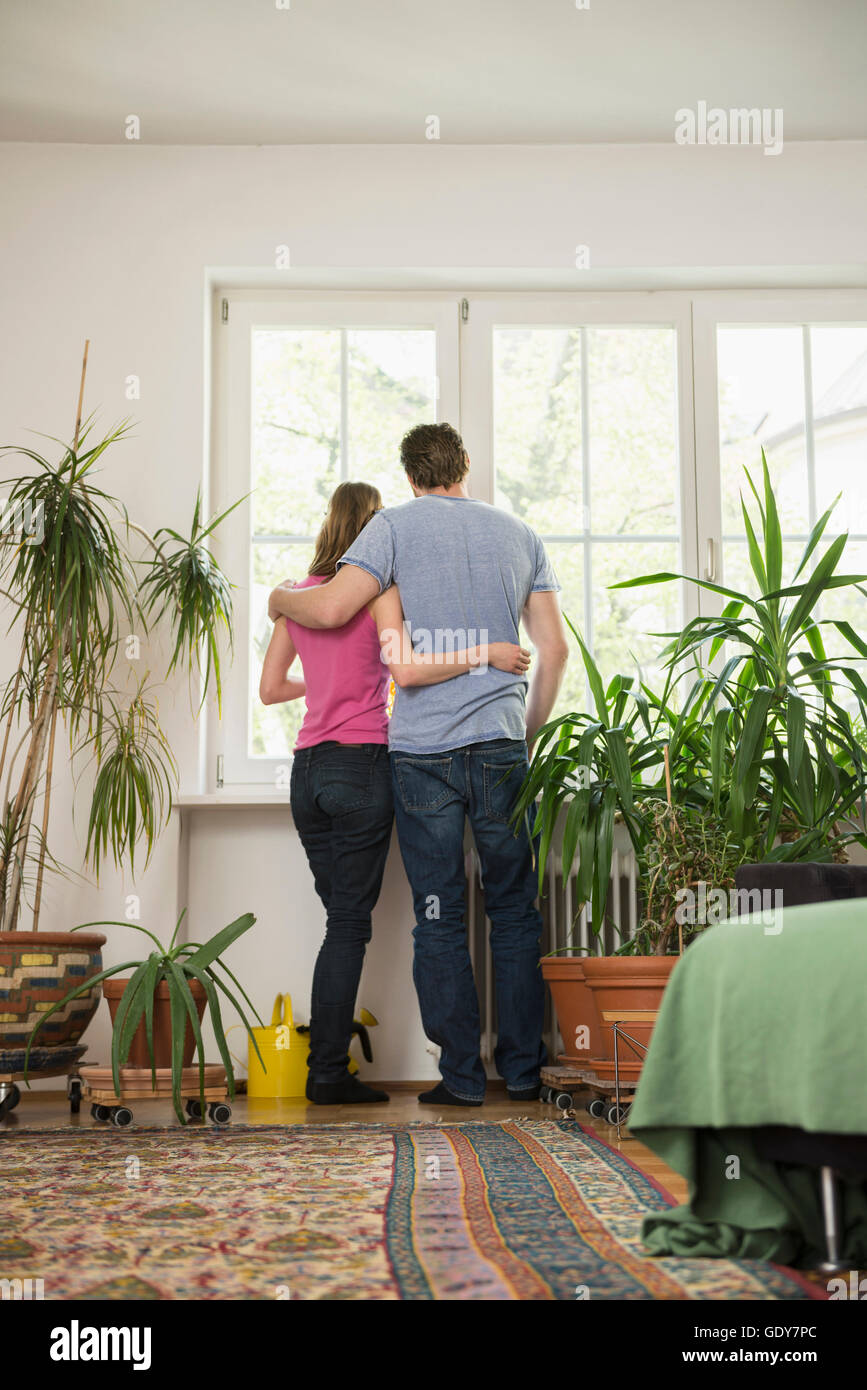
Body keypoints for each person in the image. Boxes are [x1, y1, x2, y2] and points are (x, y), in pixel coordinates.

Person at [268, 426, 569, 1107]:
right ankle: (522, 1072)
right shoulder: (519, 533)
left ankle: (461, 1080)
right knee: (515, 911)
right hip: (498, 747)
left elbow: (331, 606)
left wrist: (278, 598)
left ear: (408, 476)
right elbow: (553, 650)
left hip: (421, 756)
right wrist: (524, 731)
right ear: (465, 467)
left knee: (437, 916)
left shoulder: (391, 530)